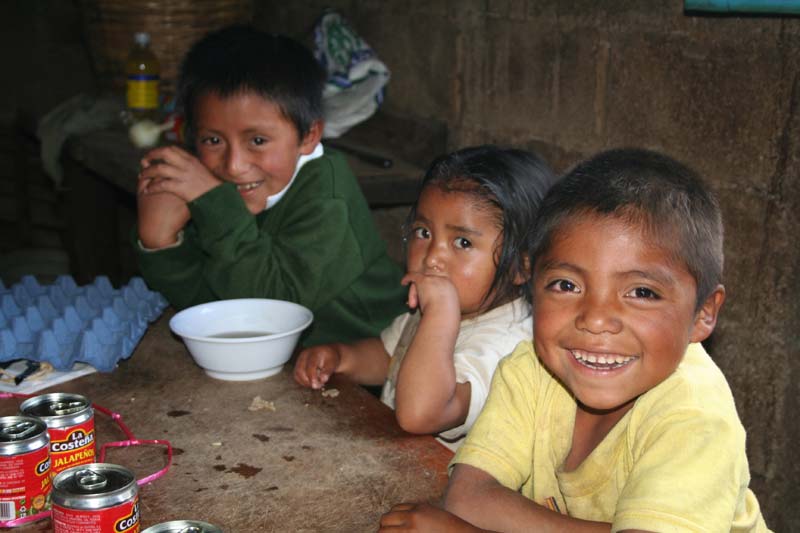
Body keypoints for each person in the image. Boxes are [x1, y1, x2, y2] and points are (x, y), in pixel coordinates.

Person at [379, 148, 771, 532]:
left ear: (704, 313)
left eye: (642, 292)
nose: (596, 319)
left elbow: (469, 517)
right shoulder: (530, 369)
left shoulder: (695, 417)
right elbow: (468, 497)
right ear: (532, 282)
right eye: (566, 285)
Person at [133, 25, 406, 346]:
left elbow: (267, 314)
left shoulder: (328, 195)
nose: (234, 165)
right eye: (213, 140)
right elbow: (208, 305)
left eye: (258, 140)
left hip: (373, 369)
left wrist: (216, 204)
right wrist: (161, 243)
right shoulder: (208, 187)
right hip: (289, 366)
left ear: (308, 136)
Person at [294, 145, 557, 449]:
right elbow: (390, 357)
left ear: (522, 267)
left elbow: (422, 414)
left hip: (446, 488)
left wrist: (440, 316)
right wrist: (341, 357)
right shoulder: (436, 309)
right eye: (423, 232)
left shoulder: (507, 350)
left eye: (462, 241)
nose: (432, 257)